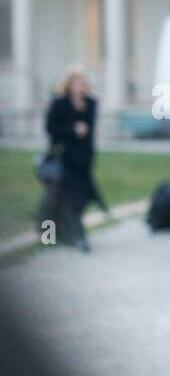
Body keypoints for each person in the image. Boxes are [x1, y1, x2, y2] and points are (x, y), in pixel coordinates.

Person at [41, 67, 109, 252]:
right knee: (61, 199)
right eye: (79, 83)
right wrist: (72, 130)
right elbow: (50, 129)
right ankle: (71, 236)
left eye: (85, 83)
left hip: (84, 159)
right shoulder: (59, 103)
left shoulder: (91, 103)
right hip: (64, 158)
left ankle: (68, 234)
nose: (83, 86)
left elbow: (90, 131)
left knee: (76, 198)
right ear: (70, 85)